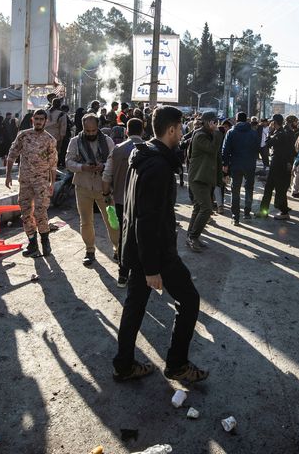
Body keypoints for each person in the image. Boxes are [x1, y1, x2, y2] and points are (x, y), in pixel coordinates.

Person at [112, 106, 209, 384]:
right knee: (189, 300)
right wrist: (152, 267)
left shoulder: (144, 155)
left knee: (135, 307)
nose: (182, 133)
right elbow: (147, 219)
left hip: (139, 248)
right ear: (171, 130)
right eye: (180, 128)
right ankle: (177, 364)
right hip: (155, 252)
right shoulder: (157, 165)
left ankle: (123, 364)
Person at [66, 113, 118, 267]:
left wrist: (103, 166)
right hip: (83, 186)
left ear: (98, 128)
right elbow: (68, 162)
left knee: (112, 220)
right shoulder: (75, 141)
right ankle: (90, 251)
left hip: (104, 187)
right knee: (86, 221)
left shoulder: (107, 141)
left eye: (93, 131)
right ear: (83, 128)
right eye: (87, 131)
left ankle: (118, 249)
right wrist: (82, 167)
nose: (90, 134)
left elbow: (113, 160)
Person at [6, 109, 58, 258]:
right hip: (25, 181)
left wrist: (52, 184)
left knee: (40, 211)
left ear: (45, 121)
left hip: (41, 182)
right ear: (32, 120)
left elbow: (53, 164)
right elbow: (12, 155)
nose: (39, 121)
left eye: (42, 119)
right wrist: (8, 175)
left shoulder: (50, 140)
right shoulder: (24, 135)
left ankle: (45, 240)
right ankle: (32, 242)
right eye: (36, 119)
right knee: (25, 212)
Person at [103, 118, 145, 287]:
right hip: (142, 201)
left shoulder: (117, 150)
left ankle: (123, 274)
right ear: (143, 131)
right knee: (141, 236)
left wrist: (106, 194)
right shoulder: (148, 150)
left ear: (127, 131)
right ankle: (141, 273)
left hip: (121, 201)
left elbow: (106, 175)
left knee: (124, 237)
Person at [186, 111, 219, 250]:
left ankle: (191, 236)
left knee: (199, 207)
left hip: (203, 177)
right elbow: (212, 149)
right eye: (213, 122)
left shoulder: (206, 134)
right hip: (197, 177)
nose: (215, 124)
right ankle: (193, 237)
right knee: (206, 208)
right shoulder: (200, 135)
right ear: (207, 122)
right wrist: (217, 132)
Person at [221, 112, 261, 225]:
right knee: (249, 188)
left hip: (236, 165)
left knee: (236, 190)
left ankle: (235, 216)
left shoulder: (231, 132)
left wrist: (225, 164)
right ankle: (247, 213)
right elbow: (257, 148)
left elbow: (225, 149)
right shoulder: (253, 133)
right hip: (250, 165)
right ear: (246, 120)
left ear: (236, 120)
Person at [258, 114, 296, 220]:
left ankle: (284, 212)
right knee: (269, 188)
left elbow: (268, 143)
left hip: (279, 165)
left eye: (272, 122)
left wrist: (269, 132)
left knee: (279, 189)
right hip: (277, 164)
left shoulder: (280, 134)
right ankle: (263, 211)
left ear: (275, 122)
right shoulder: (280, 133)